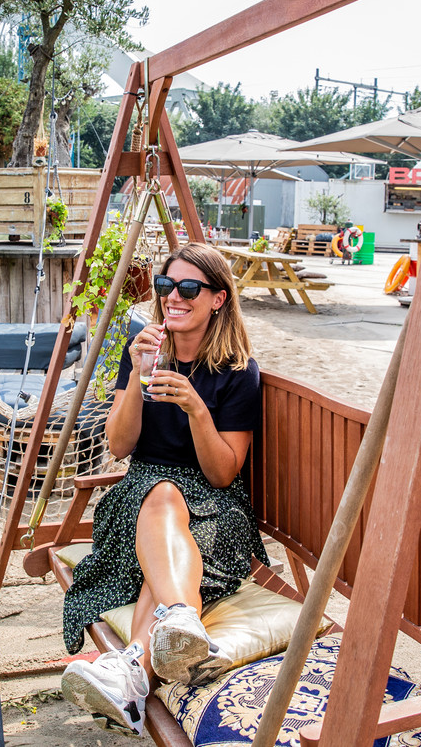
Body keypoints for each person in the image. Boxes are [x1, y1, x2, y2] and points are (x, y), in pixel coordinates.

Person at [60, 242, 267, 736]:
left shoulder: (238, 374)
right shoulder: (144, 354)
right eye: (166, 286)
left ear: (217, 298)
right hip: (142, 501)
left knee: (168, 512)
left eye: (189, 287)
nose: (174, 296)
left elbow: (223, 475)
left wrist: (198, 409)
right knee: (161, 494)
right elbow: (120, 442)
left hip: (214, 511)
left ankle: (132, 673)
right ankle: (178, 620)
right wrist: (135, 377)